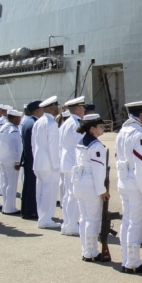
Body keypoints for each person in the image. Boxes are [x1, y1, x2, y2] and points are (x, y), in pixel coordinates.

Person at [114, 99, 142, 273]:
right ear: (141, 114)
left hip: (123, 180)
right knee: (136, 223)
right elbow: (141, 166)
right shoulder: (140, 134)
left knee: (127, 220)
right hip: (135, 183)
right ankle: (133, 261)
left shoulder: (122, 132)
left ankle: (126, 258)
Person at [72, 113, 109, 261]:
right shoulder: (96, 146)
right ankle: (91, 252)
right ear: (92, 129)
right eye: (100, 127)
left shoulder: (81, 142)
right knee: (92, 219)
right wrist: (102, 190)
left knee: (84, 218)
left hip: (79, 182)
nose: (103, 129)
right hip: (90, 184)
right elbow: (98, 171)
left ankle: (86, 250)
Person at [32, 96, 62, 229]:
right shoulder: (51, 124)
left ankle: (42, 216)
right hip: (49, 164)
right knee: (49, 193)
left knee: (40, 191)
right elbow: (53, 146)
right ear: (51, 108)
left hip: (39, 162)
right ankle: (45, 219)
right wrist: (56, 165)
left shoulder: (38, 122)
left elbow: (33, 144)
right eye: (55, 106)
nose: (57, 108)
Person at [59, 96, 87, 236]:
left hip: (67, 162)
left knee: (67, 195)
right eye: (82, 108)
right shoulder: (75, 124)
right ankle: (71, 225)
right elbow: (79, 145)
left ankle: (67, 223)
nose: (84, 110)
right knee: (73, 195)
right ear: (77, 109)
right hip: (73, 163)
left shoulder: (67, 122)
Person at [19, 101, 41, 220]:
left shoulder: (27, 121)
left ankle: (26, 210)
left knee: (28, 186)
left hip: (28, 158)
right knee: (32, 186)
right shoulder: (34, 123)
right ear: (37, 111)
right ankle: (31, 211)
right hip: (33, 158)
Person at [0, 109, 22, 214]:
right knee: (11, 185)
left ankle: (5, 205)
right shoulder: (13, 130)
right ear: (14, 118)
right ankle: (10, 208)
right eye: (18, 118)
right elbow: (15, 148)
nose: (20, 120)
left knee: (5, 183)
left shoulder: (3, 127)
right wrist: (18, 162)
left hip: (3, 159)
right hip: (12, 161)